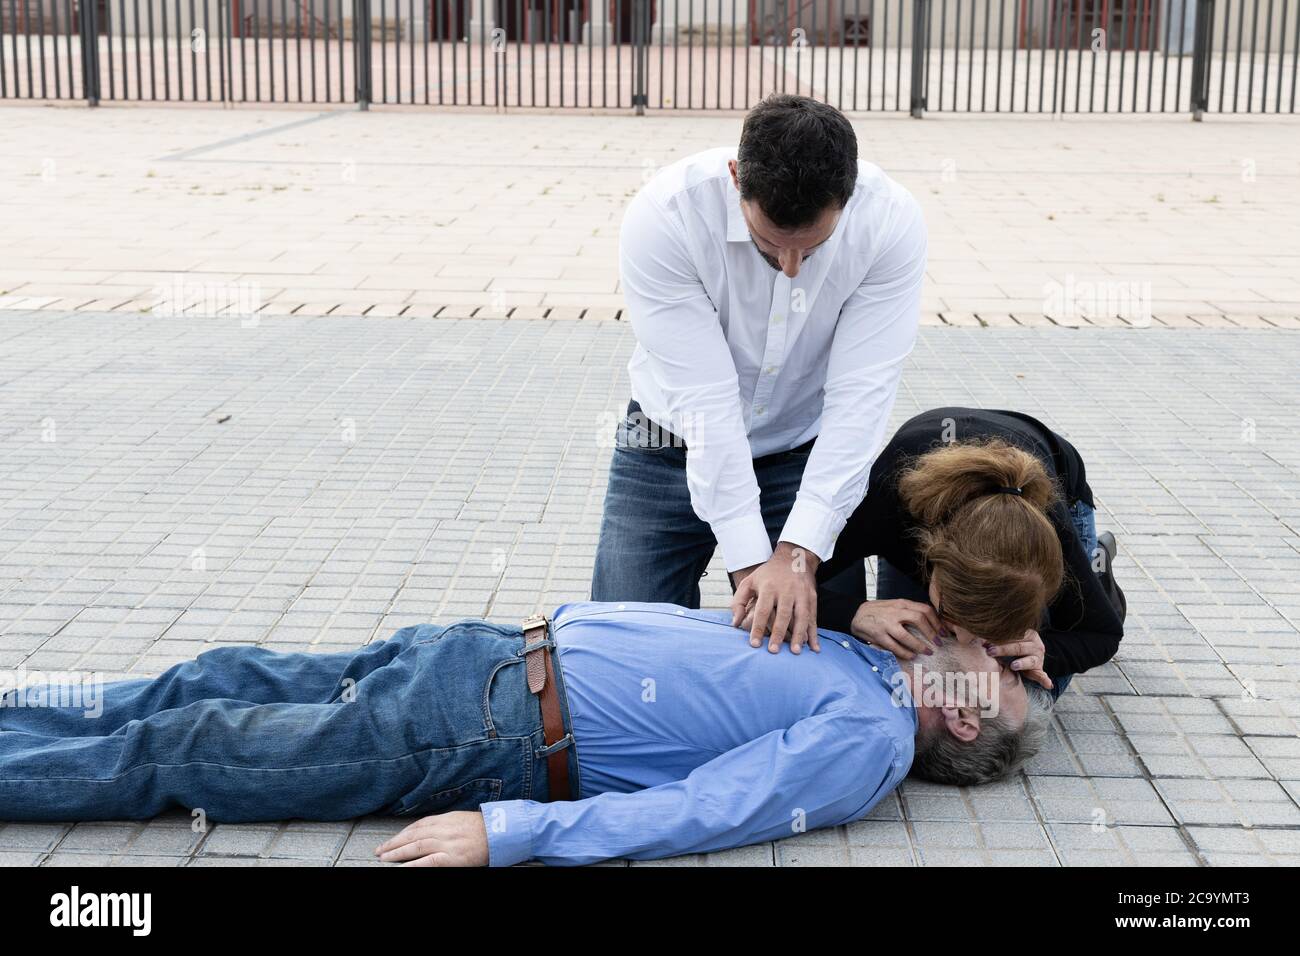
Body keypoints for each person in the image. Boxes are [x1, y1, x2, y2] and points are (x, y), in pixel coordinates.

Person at [0, 602, 1047, 866]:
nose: (994, 650)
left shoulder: (867, 741)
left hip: (484, 732)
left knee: (189, 745)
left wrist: (507, 834)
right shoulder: (874, 656)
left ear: (960, 714)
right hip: (485, 653)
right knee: (207, 677)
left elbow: (705, 810)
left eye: (999, 672)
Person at [592, 92, 927, 654]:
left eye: (812, 249)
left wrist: (798, 555)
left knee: (823, 655)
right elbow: (706, 404)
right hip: (666, 443)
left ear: (848, 197)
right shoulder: (666, 215)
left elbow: (860, 401)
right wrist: (752, 568)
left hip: (799, 456)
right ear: (735, 178)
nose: (791, 268)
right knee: (619, 650)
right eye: (770, 244)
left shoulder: (889, 221)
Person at [812, 407, 1127, 699]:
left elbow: (1102, 636)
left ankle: (1093, 576)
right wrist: (857, 613)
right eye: (951, 615)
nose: (963, 638)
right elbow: (787, 585)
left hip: (1063, 486)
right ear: (931, 557)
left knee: (1020, 689)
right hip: (913, 506)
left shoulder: (1048, 533)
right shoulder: (881, 506)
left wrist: (1046, 648)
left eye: (979, 632)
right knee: (911, 646)